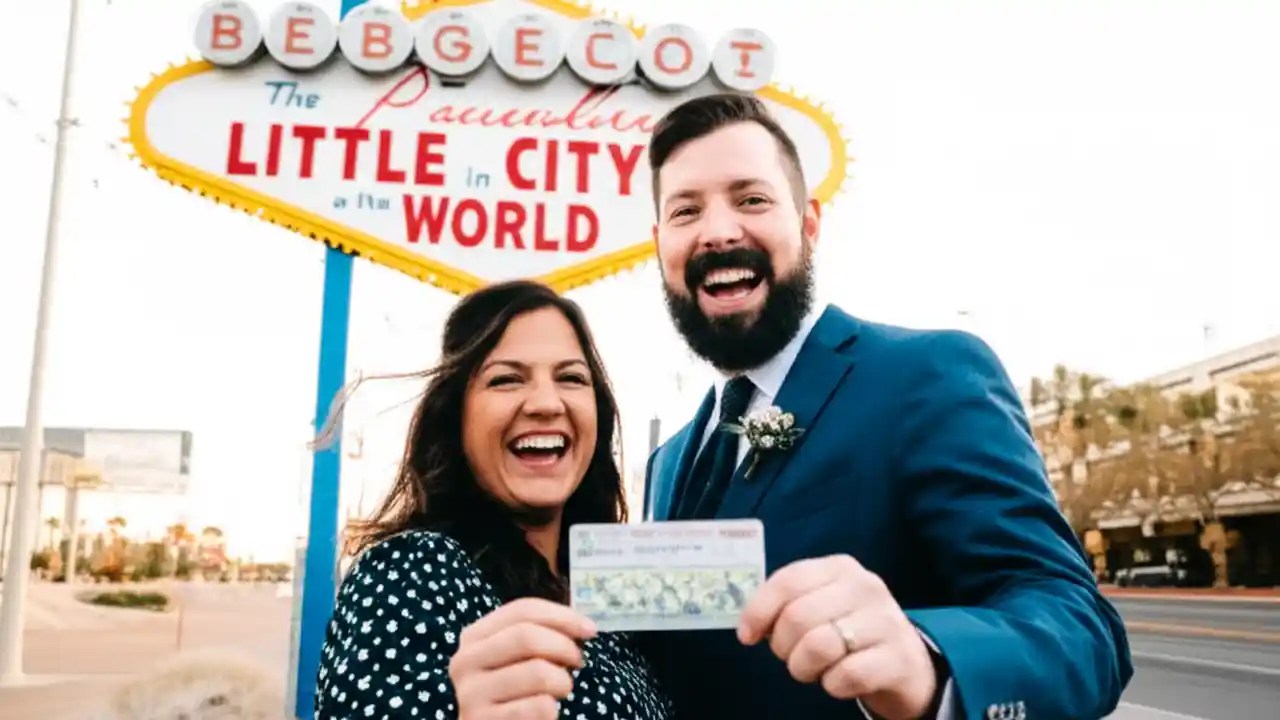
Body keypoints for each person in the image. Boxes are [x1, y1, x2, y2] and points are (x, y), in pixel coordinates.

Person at [640, 93, 1133, 720]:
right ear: (661, 244)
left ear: (808, 224)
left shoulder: (928, 374)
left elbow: (1079, 629)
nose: (717, 230)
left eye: (751, 199)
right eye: (686, 211)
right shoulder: (668, 461)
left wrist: (927, 661)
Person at [313, 280, 670, 720]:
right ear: (455, 417)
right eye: (506, 379)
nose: (545, 402)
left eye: (571, 378)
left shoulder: (611, 591)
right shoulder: (410, 571)